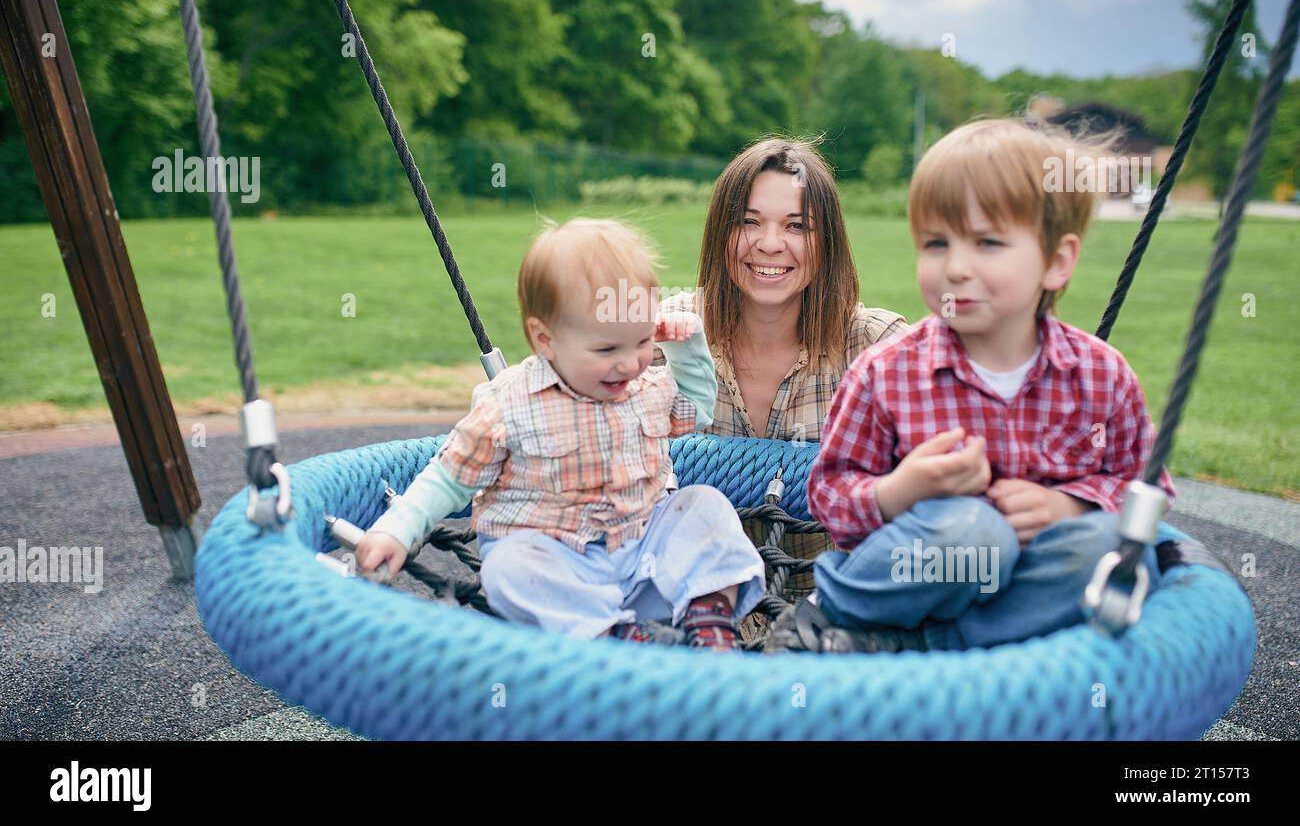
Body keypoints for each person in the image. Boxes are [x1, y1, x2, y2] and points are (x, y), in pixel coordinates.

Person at [770, 118, 1176, 653]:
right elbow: (828, 498)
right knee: (975, 530)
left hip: (1017, 592)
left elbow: (1147, 491)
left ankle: (931, 646)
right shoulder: (886, 373)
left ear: (1056, 262)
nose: (956, 267)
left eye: (987, 242)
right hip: (903, 580)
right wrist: (901, 490)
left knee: (1109, 545)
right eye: (937, 243)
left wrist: (1069, 508)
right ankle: (837, 622)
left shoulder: (1100, 376)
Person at [356, 218, 765, 650]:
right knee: (509, 568)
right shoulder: (509, 404)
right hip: (559, 570)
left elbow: (699, 408)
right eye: (607, 349)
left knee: (705, 506)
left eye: (643, 341)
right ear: (545, 339)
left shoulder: (645, 388)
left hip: (644, 560)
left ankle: (707, 619)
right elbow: (449, 477)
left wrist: (686, 348)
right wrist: (397, 530)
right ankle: (614, 638)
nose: (629, 364)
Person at [652, 137, 907, 623]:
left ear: (826, 242)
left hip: (840, 619)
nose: (770, 243)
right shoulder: (672, 338)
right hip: (700, 619)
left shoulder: (877, 346)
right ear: (721, 234)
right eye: (749, 222)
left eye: (797, 226)